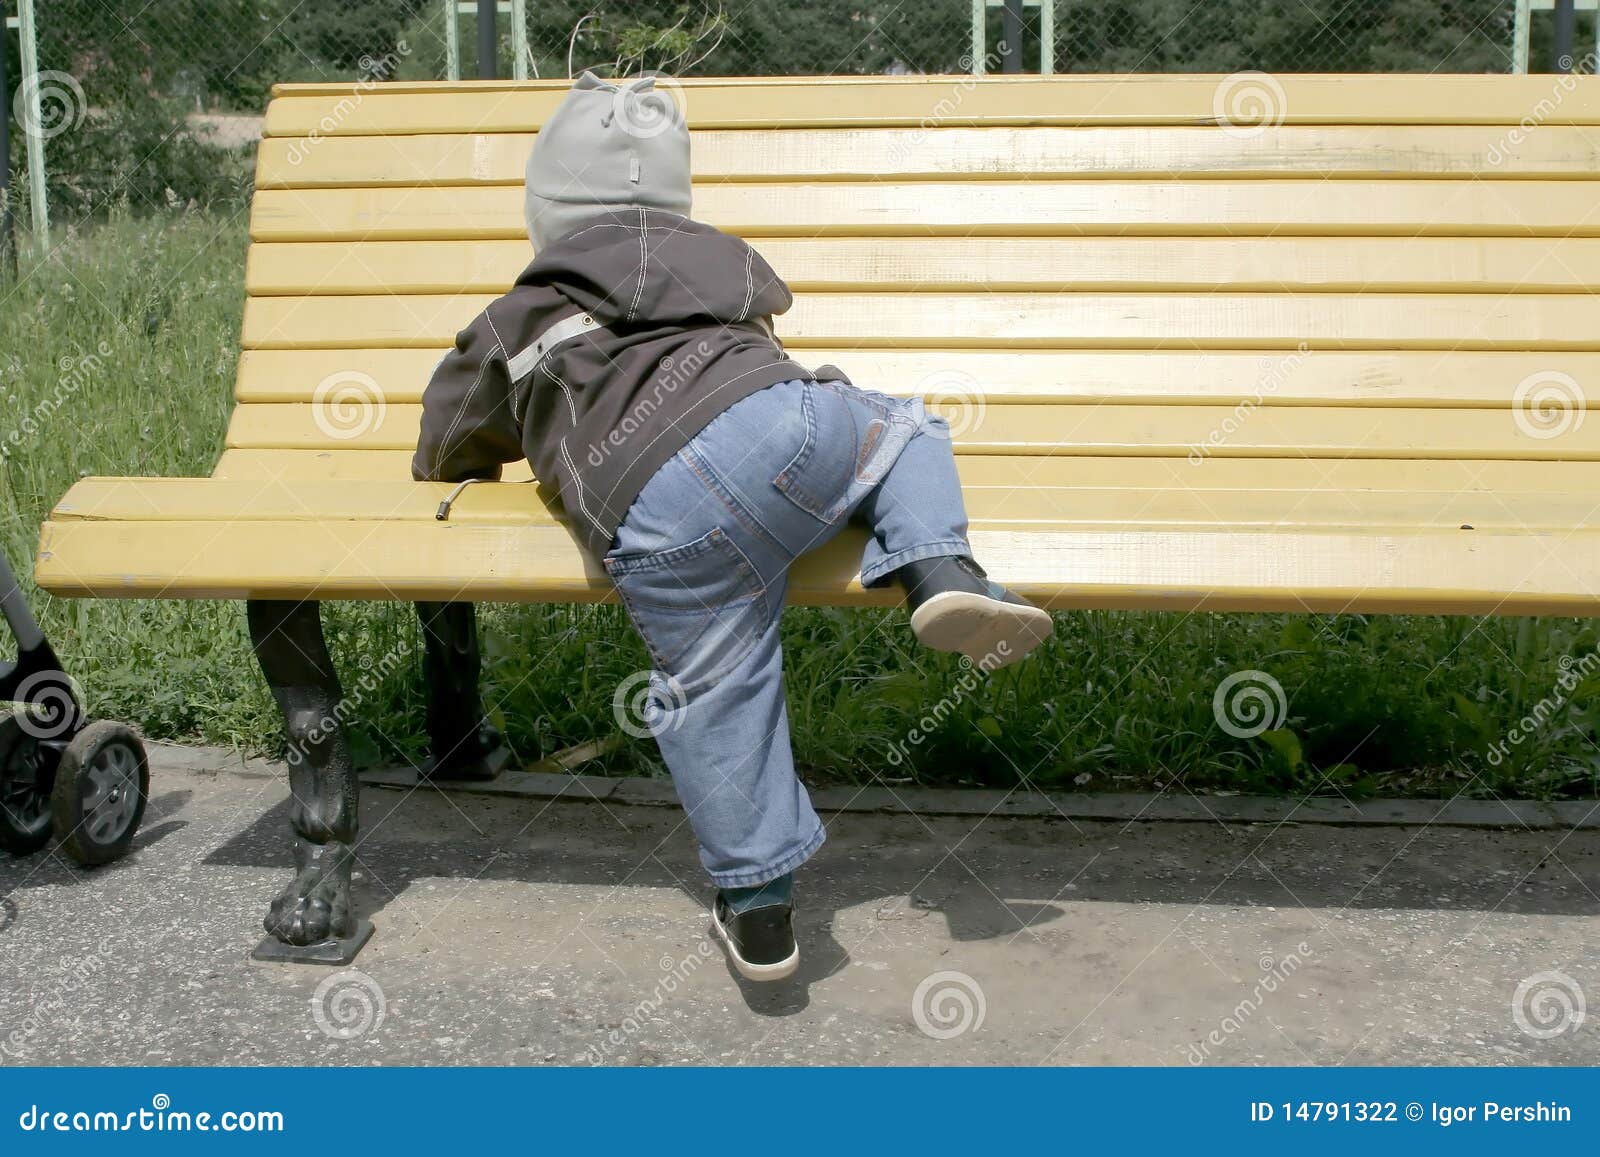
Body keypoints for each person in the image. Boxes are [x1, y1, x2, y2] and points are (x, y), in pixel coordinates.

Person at [412, 72, 1053, 982]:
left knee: (716, 681)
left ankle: (761, 909)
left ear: (546, 212)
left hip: (658, 503)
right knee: (901, 427)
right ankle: (940, 569)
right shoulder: (715, 263)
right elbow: (765, 352)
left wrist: (456, 465)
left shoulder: (526, 315)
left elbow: (454, 422)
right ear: (675, 203)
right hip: (785, 429)